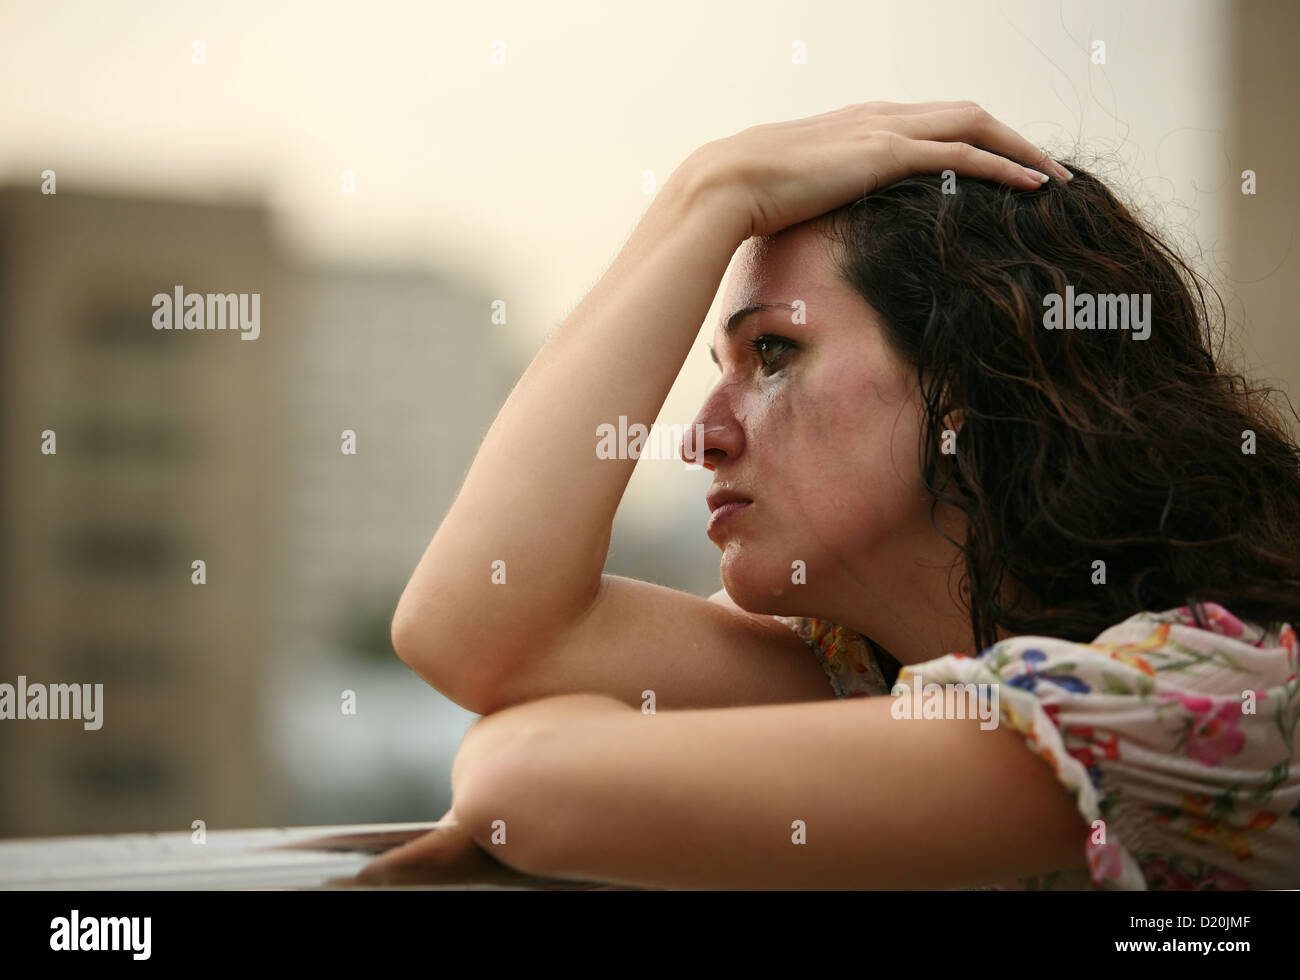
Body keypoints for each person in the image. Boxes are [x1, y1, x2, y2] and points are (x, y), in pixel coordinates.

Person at [355, 101, 1300, 890]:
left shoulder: (1207, 695)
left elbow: (529, 779)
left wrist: (711, 189)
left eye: (773, 353)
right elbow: (476, 634)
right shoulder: (863, 667)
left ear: (971, 383)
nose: (701, 436)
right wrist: (702, 193)